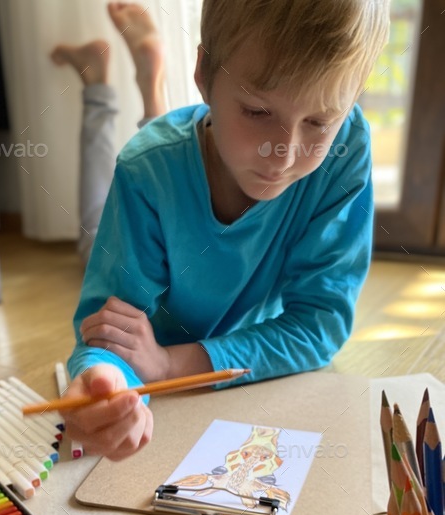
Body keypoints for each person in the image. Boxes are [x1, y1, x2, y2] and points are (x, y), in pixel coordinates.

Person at [54, 0, 390, 461]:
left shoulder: (346, 147)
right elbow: (111, 340)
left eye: (318, 122)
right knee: (94, 218)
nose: (283, 155)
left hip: (182, 181)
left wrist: (171, 364)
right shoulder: (143, 171)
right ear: (204, 73)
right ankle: (106, 87)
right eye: (256, 111)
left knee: (170, 159)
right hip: (152, 185)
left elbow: (319, 322)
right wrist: (104, 383)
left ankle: (153, 88)